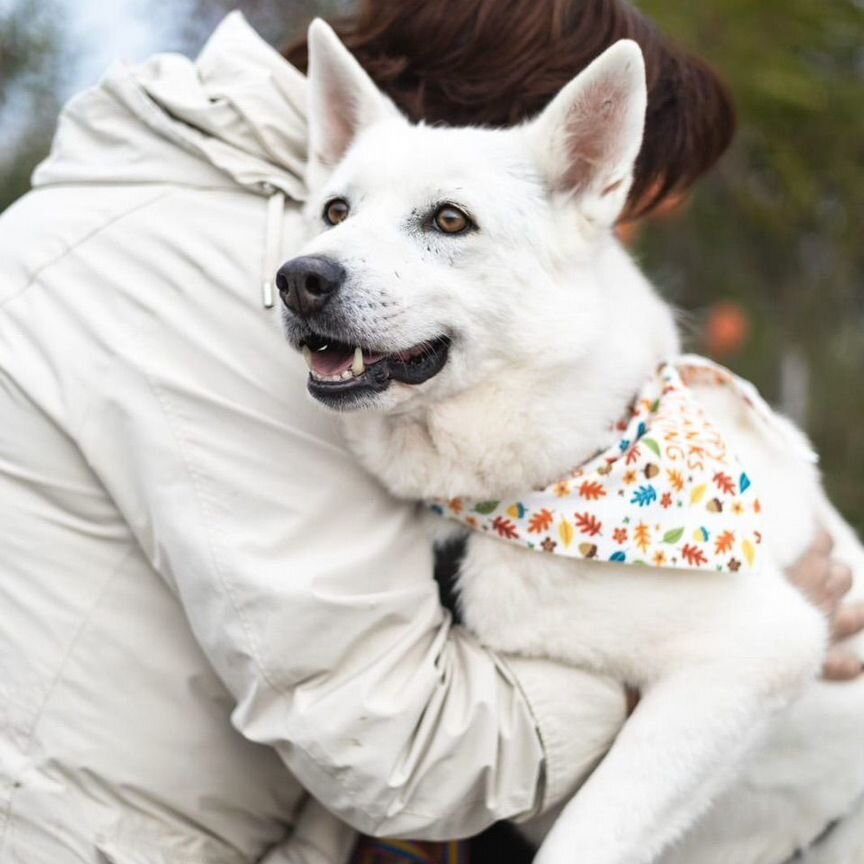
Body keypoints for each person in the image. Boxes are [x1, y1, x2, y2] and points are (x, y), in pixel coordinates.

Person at [0, 1, 860, 862]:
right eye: (337, 213)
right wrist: (651, 700)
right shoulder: (196, 267)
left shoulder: (596, 470)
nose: (311, 269)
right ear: (489, 116)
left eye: (444, 221)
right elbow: (393, 745)